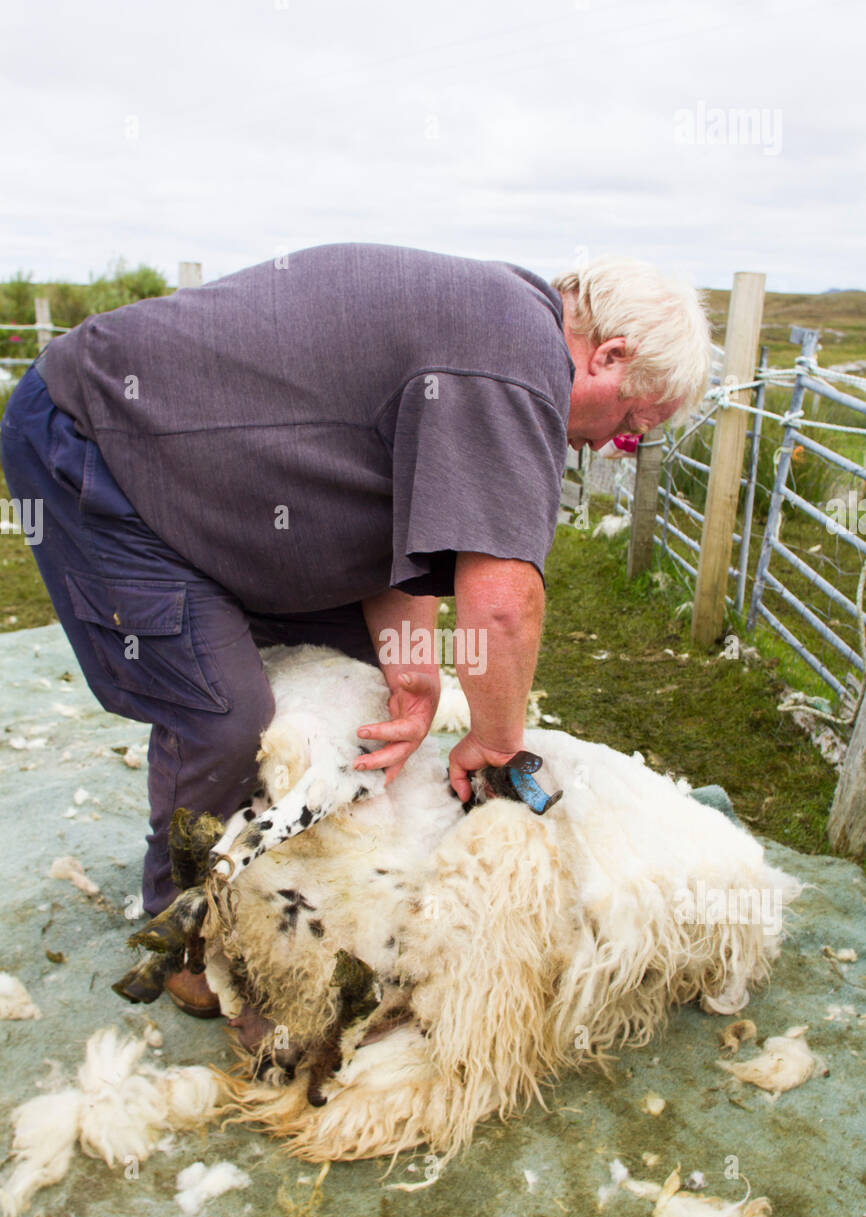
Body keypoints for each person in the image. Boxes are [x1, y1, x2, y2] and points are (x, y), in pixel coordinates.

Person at [0, 243, 711, 1017]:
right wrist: (499, 745)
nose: (612, 444)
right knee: (221, 708)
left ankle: (300, 880)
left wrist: (411, 670)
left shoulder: (498, 333)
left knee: (350, 684)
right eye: (634, 422)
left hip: (204, 466)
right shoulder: (511, 366)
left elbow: (387, 517)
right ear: (608, 356)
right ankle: (185, 922)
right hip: (98, 440)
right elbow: (503, 599)